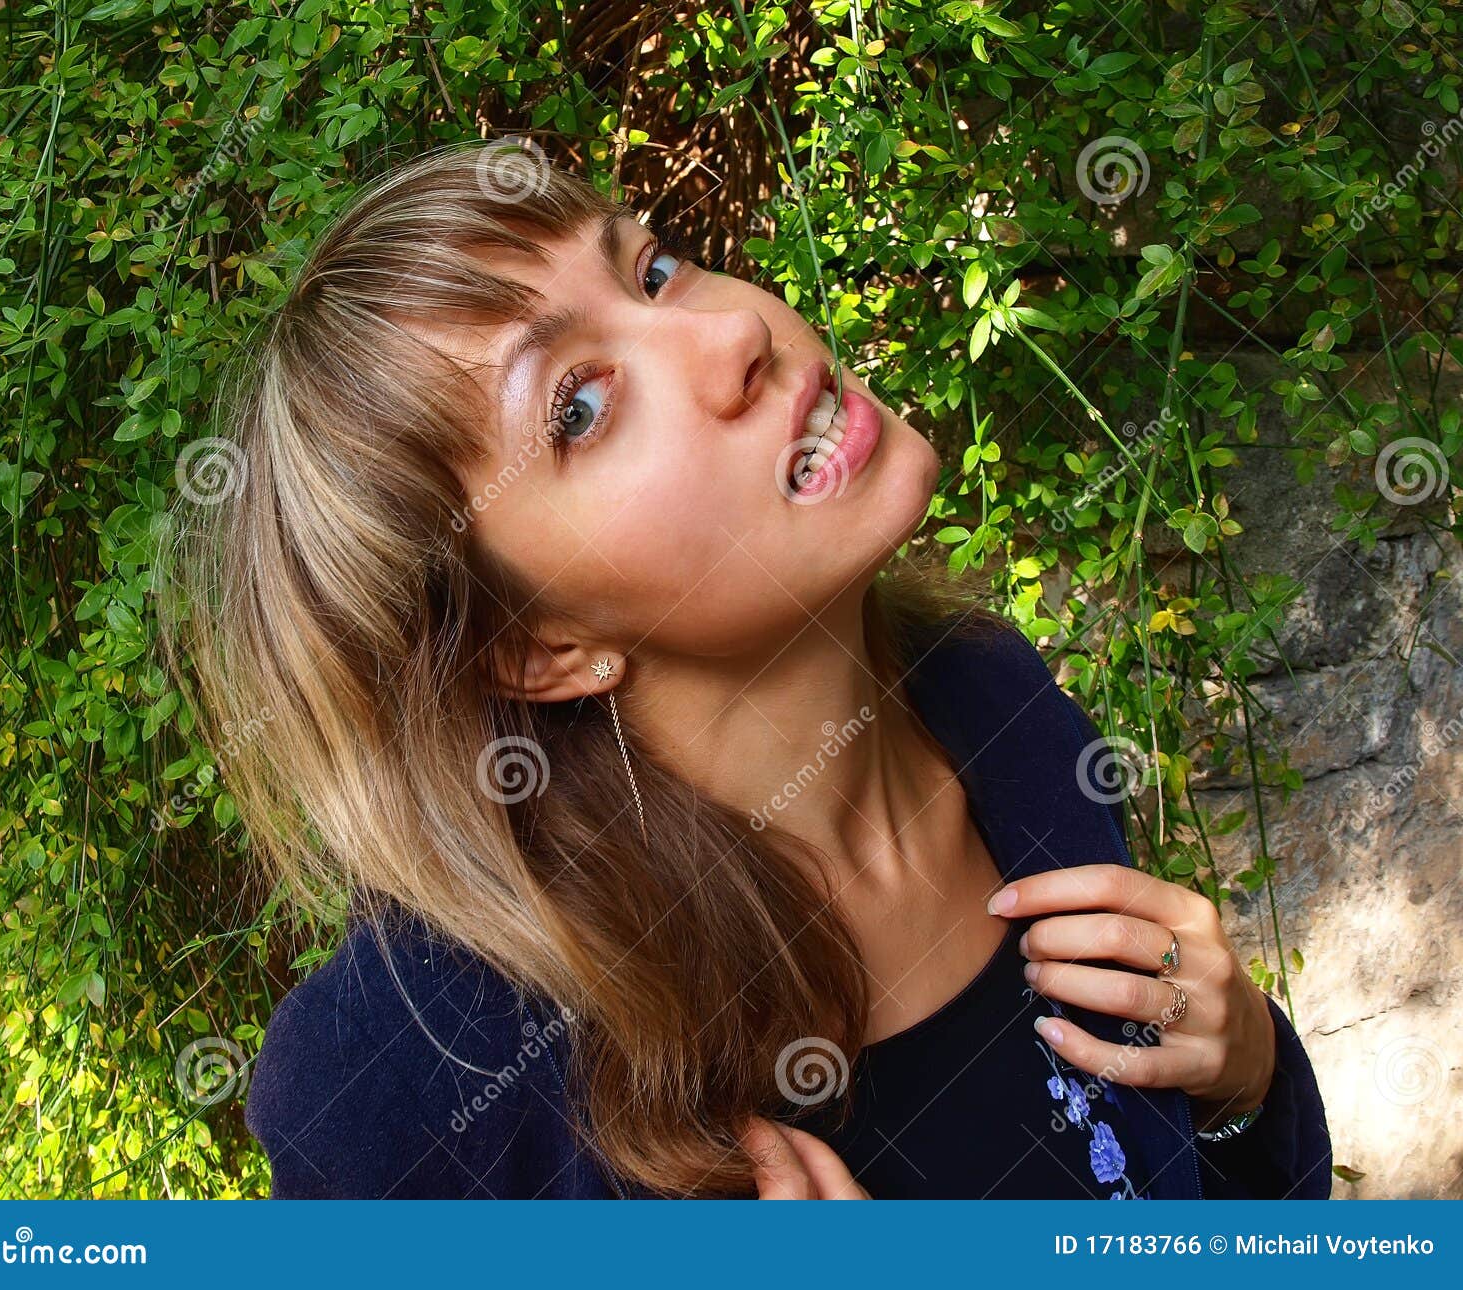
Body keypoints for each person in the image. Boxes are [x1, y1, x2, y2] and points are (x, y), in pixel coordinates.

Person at [160, 139, 1332, 1200]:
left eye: (655, 271)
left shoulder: (992, 702)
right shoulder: (419, 1083)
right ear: (536, 649)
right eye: (578, 408)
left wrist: (1244, 1090)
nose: (734, 335)